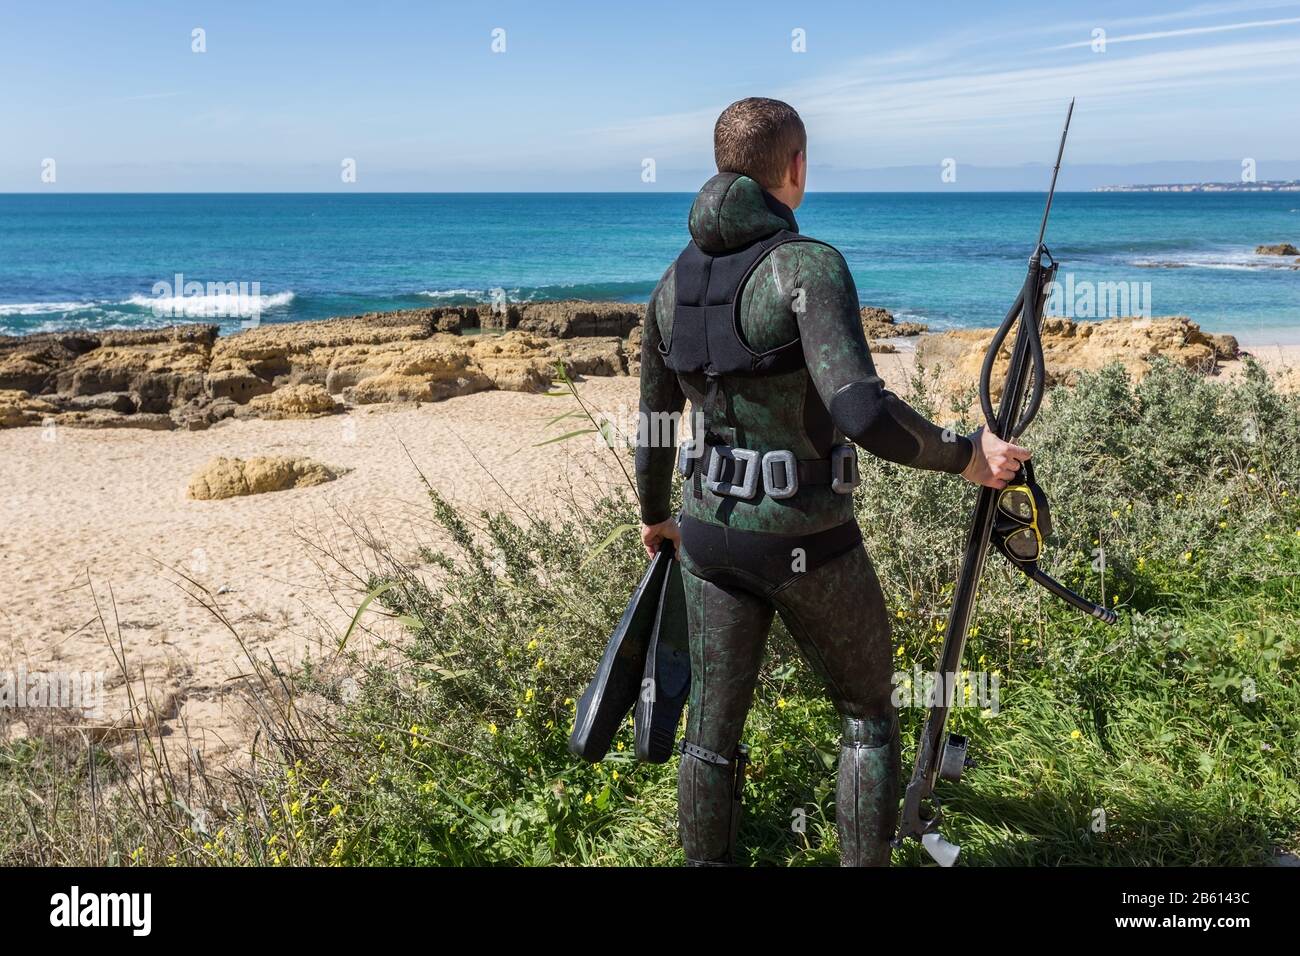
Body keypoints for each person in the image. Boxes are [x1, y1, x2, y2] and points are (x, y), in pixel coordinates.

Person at [634, 97, 1030, 866]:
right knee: (866, 717)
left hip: (709, 538)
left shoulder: (666, 287)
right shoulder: (807, 265)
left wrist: (657, 516)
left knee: (710, 737)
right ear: (796, 168)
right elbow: (863, 412)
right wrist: (967, 455)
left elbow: (653, 427)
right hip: (806, 539)